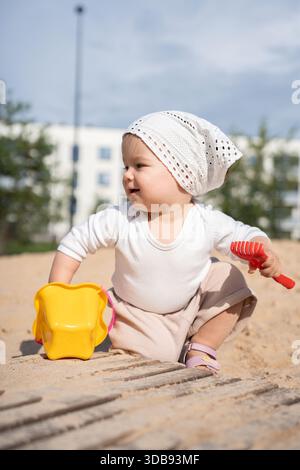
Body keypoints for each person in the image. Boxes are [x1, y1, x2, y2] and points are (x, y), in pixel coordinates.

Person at [48, 111, 282, 373]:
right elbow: (75, 243)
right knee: (156, 356)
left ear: (181, 172)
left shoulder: (205, 220)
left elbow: (244, 234)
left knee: (229, 278)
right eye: (125, 166)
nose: (127, 175)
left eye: (139, 165)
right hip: (136, 314)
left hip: (189, 307)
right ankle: (147, 344)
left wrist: (263, 250)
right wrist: (58, 290)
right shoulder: (120, 217)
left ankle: (201, 348)